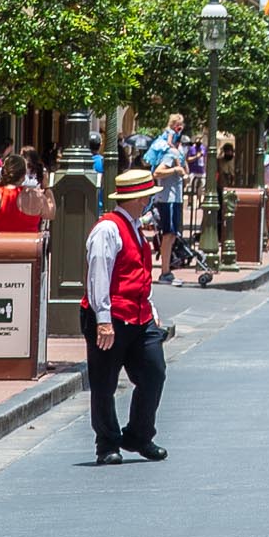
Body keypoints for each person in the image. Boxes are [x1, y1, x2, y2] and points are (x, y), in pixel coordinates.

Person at [84, 169, 170, 465]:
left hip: (138, 315)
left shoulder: (133, 227)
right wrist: (103, 319)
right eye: (147, 196)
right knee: (104, 382)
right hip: (112, 316)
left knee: (154, 371)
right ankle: (106, 443)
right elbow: (99, 274)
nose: (149, 201)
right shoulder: (107, 229)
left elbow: (138, 275)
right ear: (137, 198)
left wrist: (151, 310)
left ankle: (139, 434)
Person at [142, 112, 189, 283]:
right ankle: (165, 271)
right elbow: (157, 172)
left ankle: (167, 267)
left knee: (172, 234)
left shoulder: (176, 151)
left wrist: (183, 166)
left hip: (174, 198)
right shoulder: (169, 152)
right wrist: (176, 170)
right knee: (168, 234)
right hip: (167, 198)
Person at [0, 150, 52, 234]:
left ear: (3, 173)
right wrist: (47, 187)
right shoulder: (35, 196)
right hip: (26, 246)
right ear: (23, 176)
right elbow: (51, 213)